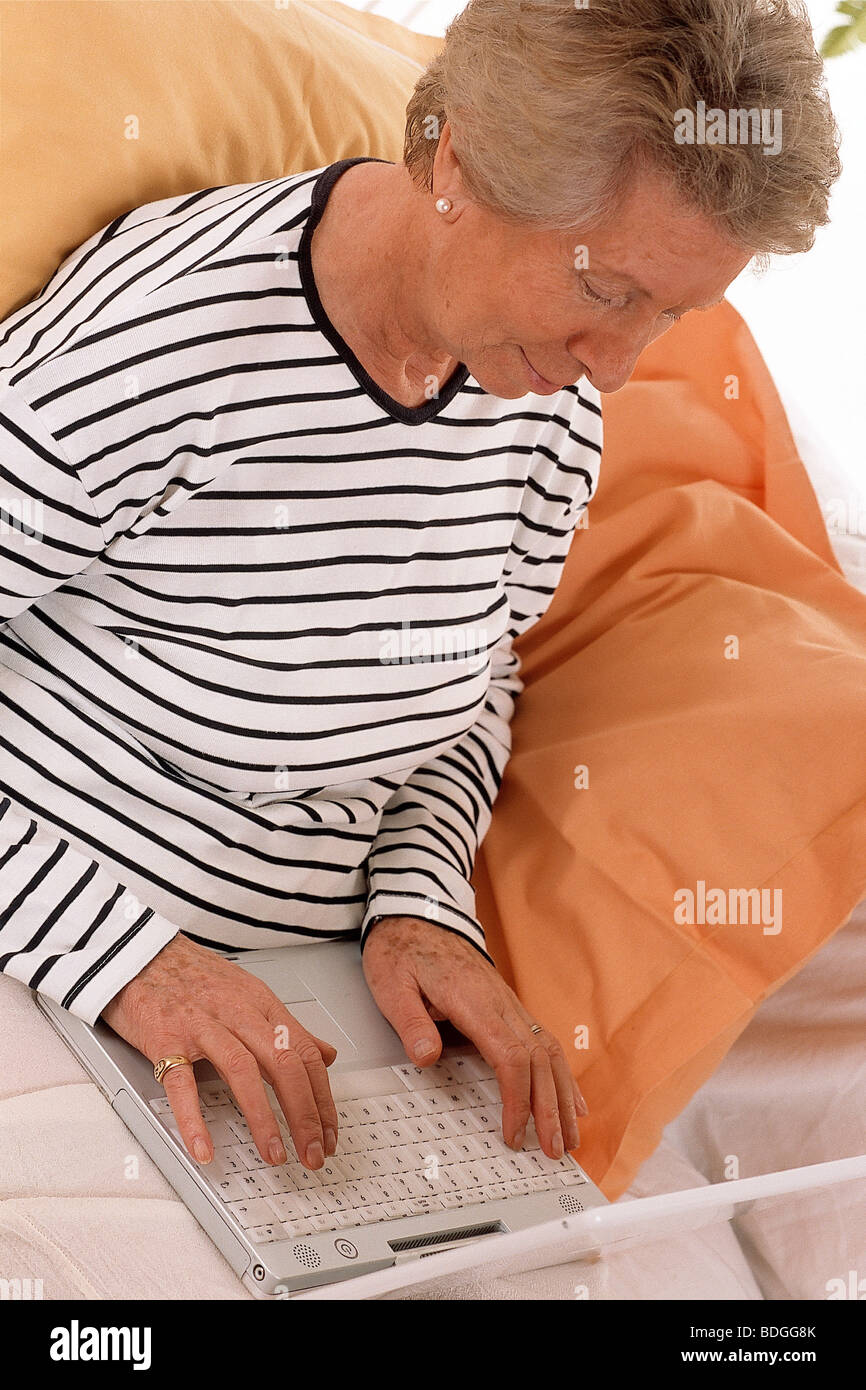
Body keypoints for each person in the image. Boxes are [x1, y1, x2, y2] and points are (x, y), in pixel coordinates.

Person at [0, 0, 839, 1179]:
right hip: (50, 963)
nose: (621, 366)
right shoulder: (175, 336)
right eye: (606, 292)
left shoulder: (544, 404)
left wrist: (418, 907)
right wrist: (120, 959)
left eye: (673, 312)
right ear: (458, 157)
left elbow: (470, 686)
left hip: (294, 1008)